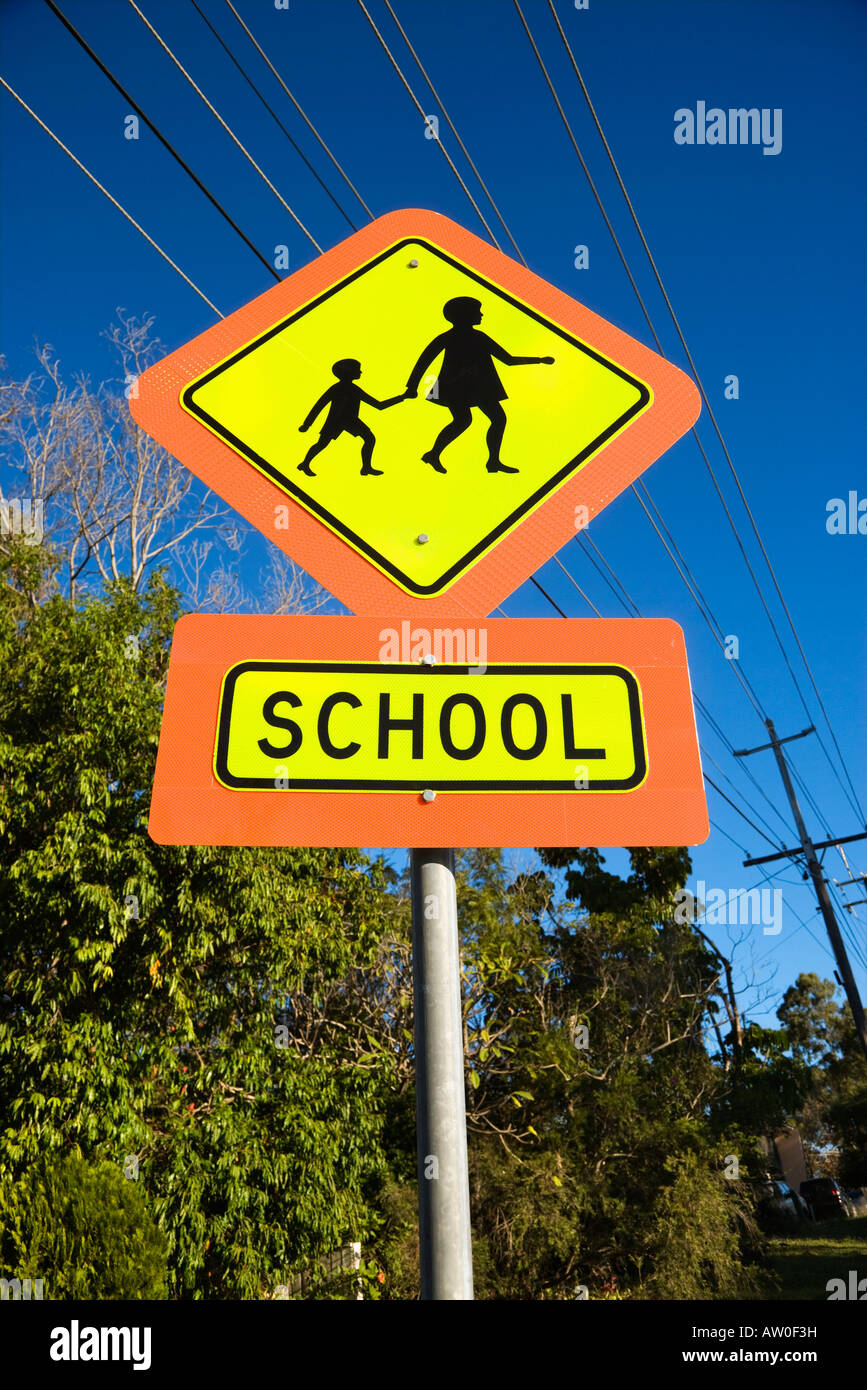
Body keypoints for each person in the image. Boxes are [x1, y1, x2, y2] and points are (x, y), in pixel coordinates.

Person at [404, 296, 554, 474]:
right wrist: (411, 387)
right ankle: (434, 454)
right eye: (477, 311)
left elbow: (508, 359)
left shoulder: (480, 337)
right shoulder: (448, 338)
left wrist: (538, 360)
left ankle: (493, 461)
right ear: (465, 315)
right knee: (464, 420)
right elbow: (424, 360)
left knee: (498, 419)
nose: (481, 314)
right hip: (455, 388)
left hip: (480, 388)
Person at [298, 358, 406, 477]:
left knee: (369, 439)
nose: (360, 373)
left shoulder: (355, 389)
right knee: (322, 444)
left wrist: (402, 397)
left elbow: (378, 405)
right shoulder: (338, 388)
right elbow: (319, 405)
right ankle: (305, 464)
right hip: (336, 421)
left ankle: (366, 467)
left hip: (351, 421)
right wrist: (307, 424)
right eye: (358, 370)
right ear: (349, 372)